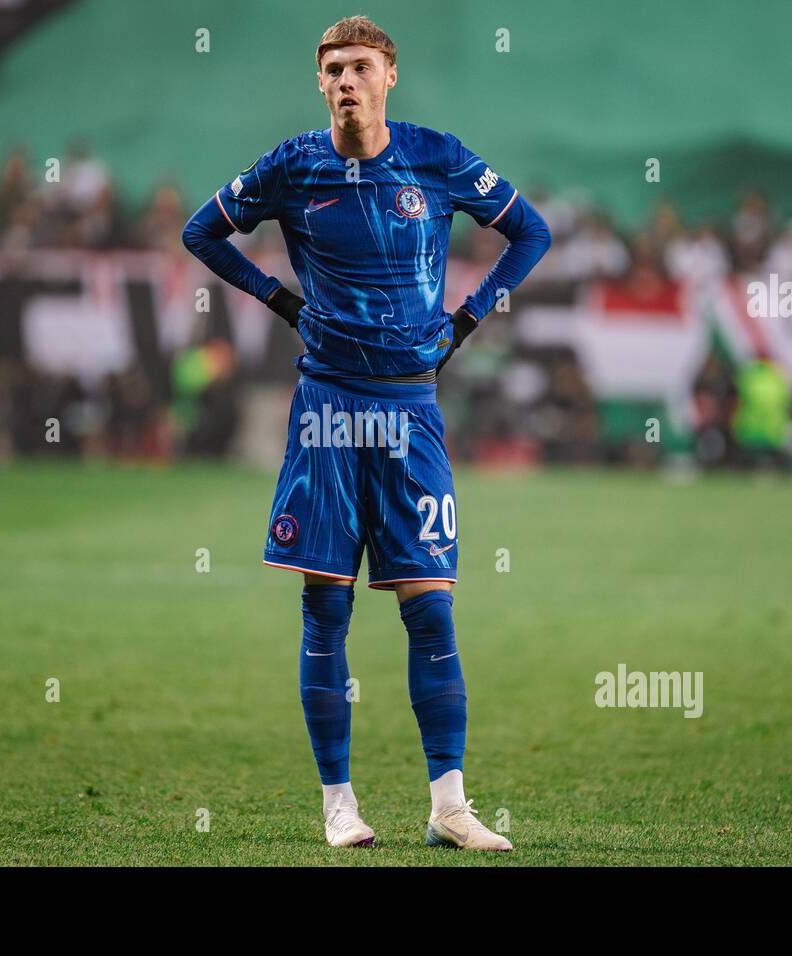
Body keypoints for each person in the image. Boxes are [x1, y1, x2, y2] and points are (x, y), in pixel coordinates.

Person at [181, 15, 550, 851]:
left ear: (391, 76)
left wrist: (463, 323)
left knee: (432, 612)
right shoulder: (291, 165)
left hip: (411, 407)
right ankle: (338, 804)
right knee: (327, 606)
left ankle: (450, 805)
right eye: (333, 70)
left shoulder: (436, 156)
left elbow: (532, 231)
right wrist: (280, 301)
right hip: (328, 409)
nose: (346, 81)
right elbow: (200, 232)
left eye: (360, 67)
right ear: (321, 84)